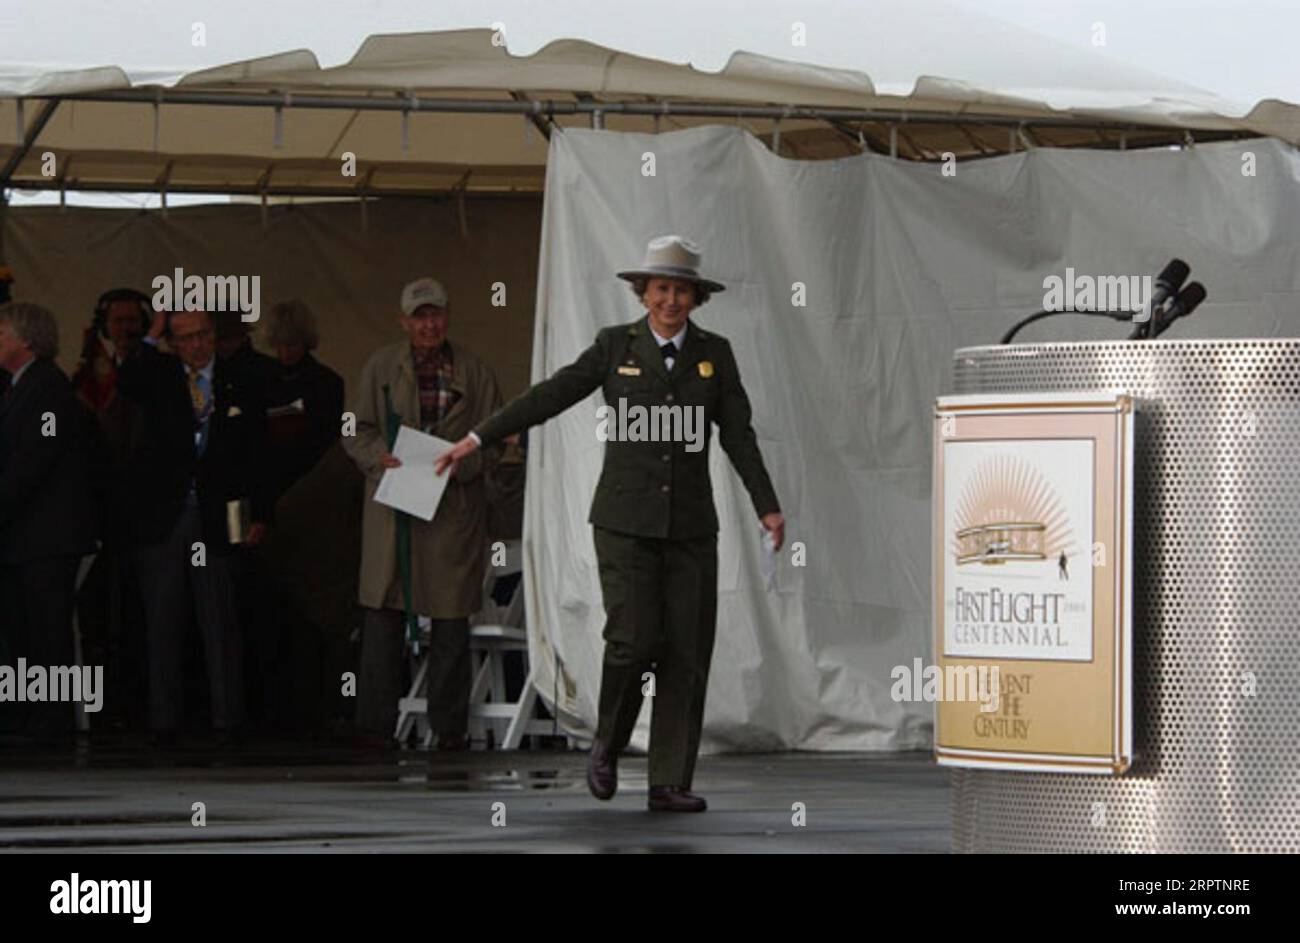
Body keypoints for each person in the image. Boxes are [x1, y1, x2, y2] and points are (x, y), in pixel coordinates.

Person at [437, 235, 784, 812]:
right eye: (661, 288)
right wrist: (477, 437)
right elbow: (553, 394)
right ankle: (608, 743)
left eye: (681, 291)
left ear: (696, 299)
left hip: (692, 526)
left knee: (685, 651)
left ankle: (669, 779)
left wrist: (765, 504)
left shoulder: (714, 354)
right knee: (632, 640)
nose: (671, 300)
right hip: (624, 522)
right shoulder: (614, 346)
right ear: (643, 293)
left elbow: (738, 434)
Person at [342, 277, 503, 750]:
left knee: (451, 621)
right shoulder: (381, 366)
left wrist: (463, 465)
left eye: (435, 314)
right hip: (395, 508)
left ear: (447, 316)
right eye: (419, 316)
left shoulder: (475, 372)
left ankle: (449, 730)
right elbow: (355, 428)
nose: (428, 324)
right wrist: (379, 458)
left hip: (452, 511)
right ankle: (374, 727)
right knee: (383, 616)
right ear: (404, 321)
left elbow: (496, 438)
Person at [117, 307, 273, 742]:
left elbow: (260, 452)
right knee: (162, 620)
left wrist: (261, 513)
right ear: (173, 343)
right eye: (185, 337)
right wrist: (151, 332)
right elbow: (126, 381)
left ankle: (228, 719)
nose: (197, 344)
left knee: (219, 619)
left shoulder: (238, 378)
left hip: (217, 516)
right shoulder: (161, 377)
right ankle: (162, 719)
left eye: (203, 334)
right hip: (165, 515)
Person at [0, 302, 98, 738]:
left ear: (24, 339)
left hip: (47, 535)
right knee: (25, 628)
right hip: (27, 534)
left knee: (47, 629)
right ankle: (30, 712)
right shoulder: (19, 388)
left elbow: (36, 458)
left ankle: (52, 717)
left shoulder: (48, 388)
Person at [262, 299, 345, 497]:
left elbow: (328, 437)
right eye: (279, 345)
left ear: (305, 341)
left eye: (291, 345)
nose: (285, 352)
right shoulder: (263, 377)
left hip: (311, 481)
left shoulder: (327, 382)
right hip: (267, 478)